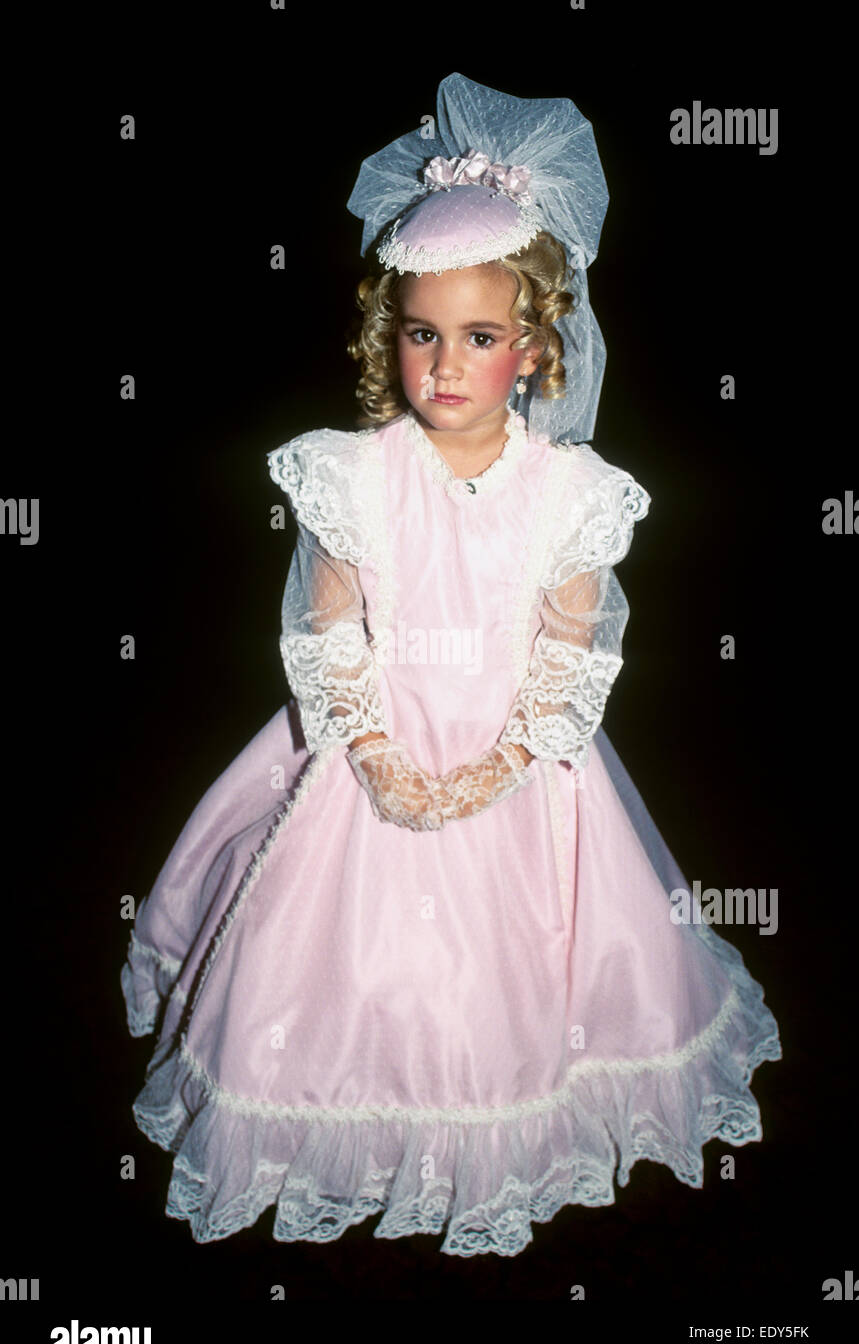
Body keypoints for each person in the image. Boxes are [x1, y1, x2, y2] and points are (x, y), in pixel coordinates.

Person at [121, 73, 781, 1258]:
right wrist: (368, 744)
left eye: (479, 338)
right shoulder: (354, 474)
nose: (444, 365)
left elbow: (575, 651)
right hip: (372, 753)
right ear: (392, 335)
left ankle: (516, 1111)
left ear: (533, 346)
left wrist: (504, 762)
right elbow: (325, 631)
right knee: (320, 955)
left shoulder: (570, 495)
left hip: (516, 773)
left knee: (520, 971)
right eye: (422, 334)